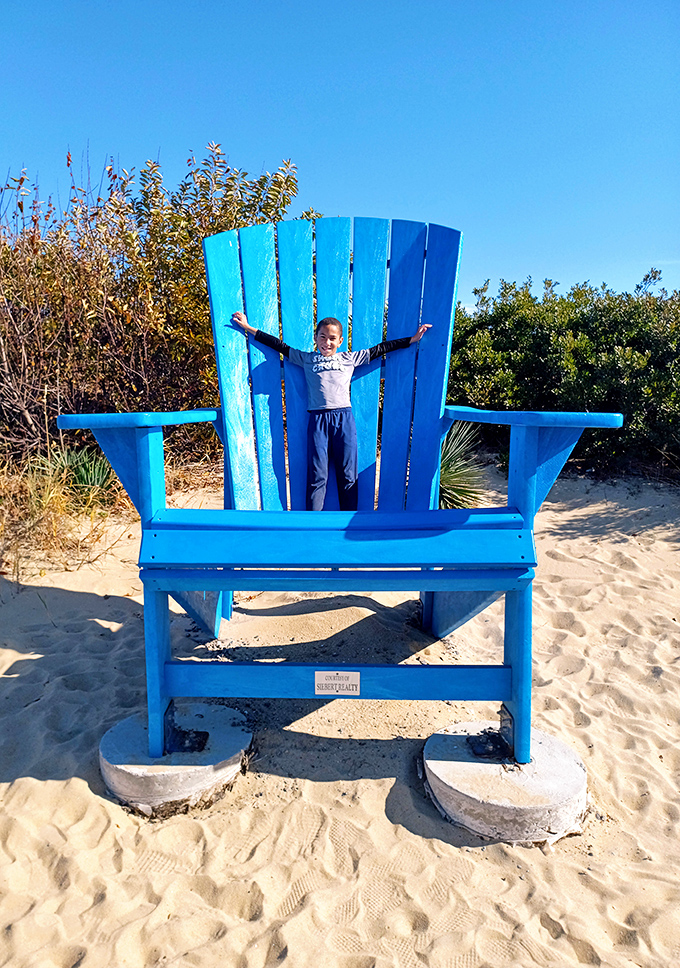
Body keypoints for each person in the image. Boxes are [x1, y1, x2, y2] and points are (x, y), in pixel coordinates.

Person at [232, 311, 430, 511]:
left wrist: (412, 340)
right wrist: (249, 328)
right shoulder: (307, 359)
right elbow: (278, 345)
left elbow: (382, 348)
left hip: (344, 419)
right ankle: (313, 521)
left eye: (332, 338)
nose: (327, 342)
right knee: (317, 474)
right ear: (316, 338)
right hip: (318, 420)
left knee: (348, 473)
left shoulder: (349, 358)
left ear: (340, 341)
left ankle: (348, 520)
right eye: (323, 337)